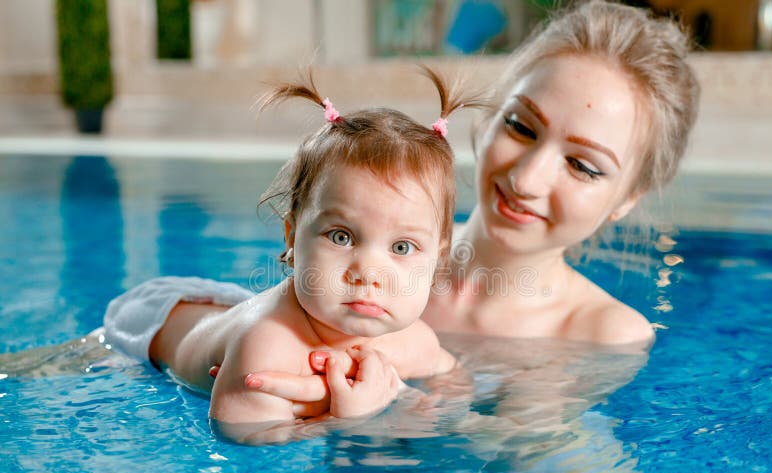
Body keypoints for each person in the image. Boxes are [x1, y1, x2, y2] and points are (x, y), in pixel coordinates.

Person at [104, 0, 699, 420]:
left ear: (628, 198)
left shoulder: (604, 337)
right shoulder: (356, 266)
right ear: (488, 117)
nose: (527, 176)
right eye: (520, 125)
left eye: (584, 165)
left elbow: (513, 464)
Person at [103, 67, 483, 440]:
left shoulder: (415, 340)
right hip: (151, 327)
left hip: (224, 309)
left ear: (438, 262)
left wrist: (435, 407)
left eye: (402, 247)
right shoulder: (267, 348)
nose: (368, 273)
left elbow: (451, 379)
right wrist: (350, 420)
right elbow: (240, 436)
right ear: (292, 237)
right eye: (341, 236)